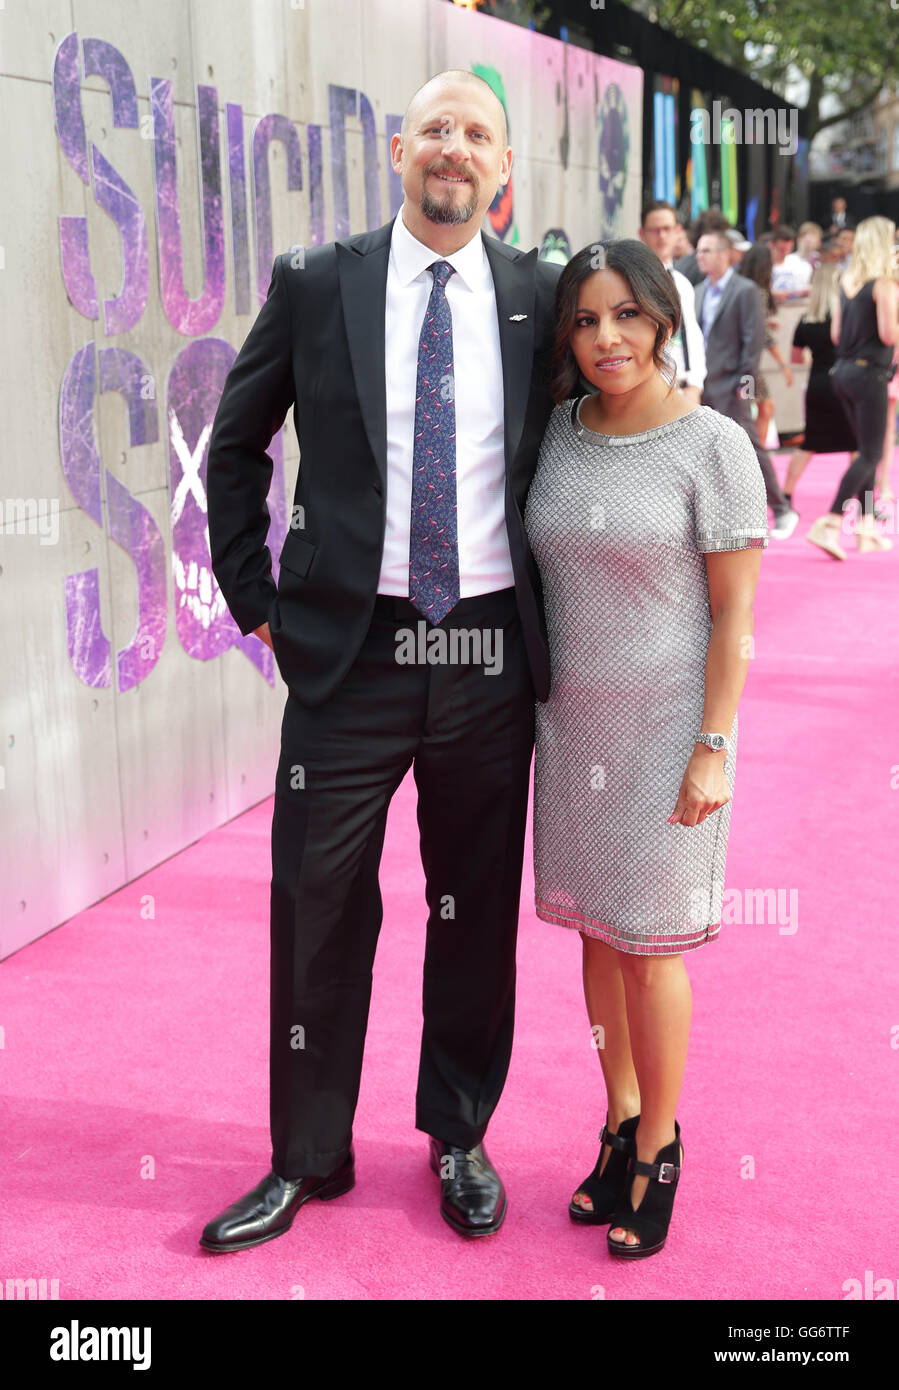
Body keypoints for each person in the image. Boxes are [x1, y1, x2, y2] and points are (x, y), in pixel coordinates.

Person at [200, 69, 562, 1253]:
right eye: (436, 131)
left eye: (477, 135)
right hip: (347, 655)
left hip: (488, 654)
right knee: (314, 906)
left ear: (503, 170)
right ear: (398, 151)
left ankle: (456, 1133)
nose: (454, 149)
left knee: (470, 911)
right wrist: (255, 598)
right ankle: (306, 1157)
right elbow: (237, 441)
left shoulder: (544, 298)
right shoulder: (316, 282)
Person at [522, 238, 767, 1257]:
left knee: (650, 948)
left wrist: (713, 745)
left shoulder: (711, 445)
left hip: (670, 731)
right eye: (582, 320)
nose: (604, 338)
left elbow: (733, 622)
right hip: (568, 725)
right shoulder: (557, 431)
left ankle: (661, 1145)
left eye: (625, 314)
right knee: (593, 933)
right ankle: (618, 1116)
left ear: (662, 318)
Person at [694, 229, 798, 537]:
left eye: (708, 250)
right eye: (699, 251)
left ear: (726, 255)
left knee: (751, 445)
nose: (701, 256)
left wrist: (746, 389)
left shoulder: (745, 290)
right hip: (703, 384)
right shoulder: (697, 291)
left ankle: (781, 509)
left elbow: (753, 343)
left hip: (735, 384)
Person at [806, 216, 899, 559]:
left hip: (842, 372)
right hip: (869, 374)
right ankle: (830, 521)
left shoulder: (845, 282)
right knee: (871, 454)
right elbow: (889, 334)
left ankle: (867, 528)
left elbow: (835, 336)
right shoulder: (884, 284)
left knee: (865, 451)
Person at [782, 262, 858, 508]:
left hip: (817, 384)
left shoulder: (806, 320)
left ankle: (786, 493)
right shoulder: (847, 318)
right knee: (857, 444)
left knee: (810, 442)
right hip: (845, 382)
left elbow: (795, 358)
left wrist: (812, 357)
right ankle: (863, 500)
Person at [638, 200, 707, 405]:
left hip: (685, 389)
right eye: (655, 230)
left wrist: (695, 384)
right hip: (648, 390)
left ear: (678, 232)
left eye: (667, 229)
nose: (662, 236)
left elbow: (693, 336)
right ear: (642, 233)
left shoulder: (683, 283)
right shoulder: (632, 282)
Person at [737, 242, 794, 453]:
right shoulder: (756, 291)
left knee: (749, 408)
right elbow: (763, 336)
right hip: (749, 365)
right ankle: (753, 455)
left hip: (738, 362)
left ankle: (751, 453)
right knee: (762, 407)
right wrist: (783, 364)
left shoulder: (739, 286)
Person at [772, 222, 822, 295]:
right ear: (798, 239)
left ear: (819, 241)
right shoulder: (787, 260)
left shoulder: (823, 260)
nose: (808, 239)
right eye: (805, 236)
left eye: (813, 236)